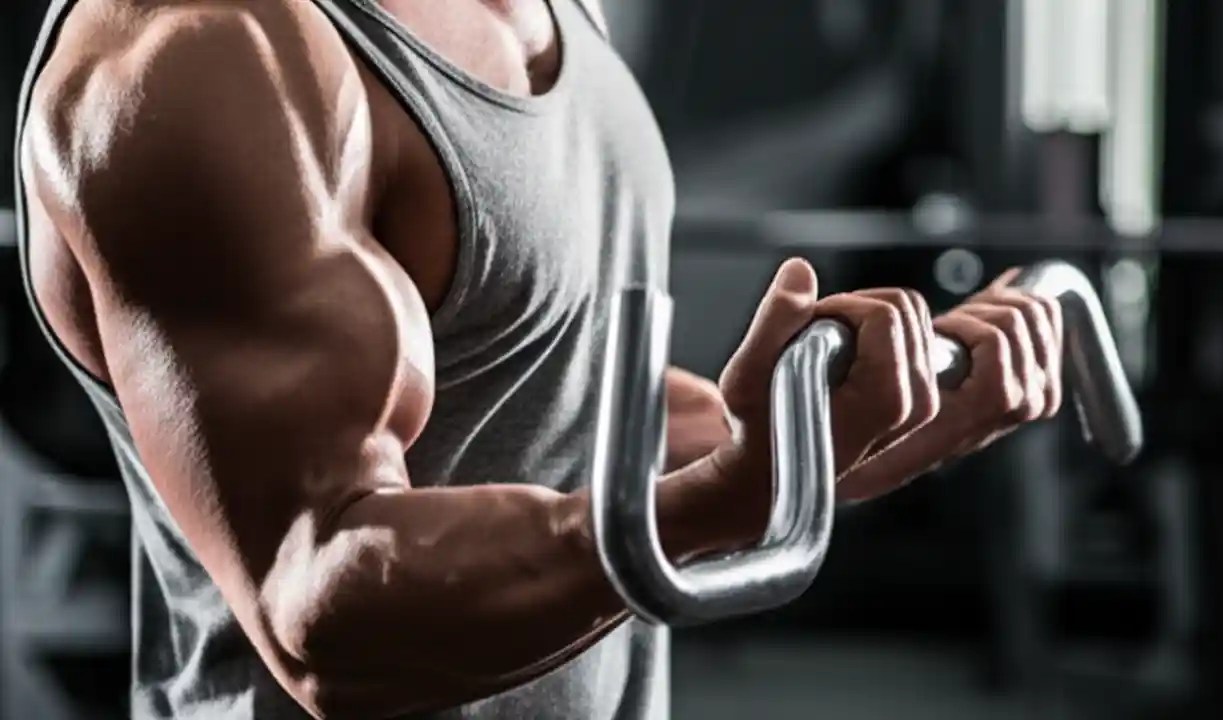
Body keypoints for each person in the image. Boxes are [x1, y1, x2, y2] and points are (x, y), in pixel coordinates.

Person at [13, 0, 1064, 717]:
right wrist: (727, 503)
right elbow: (324, 609)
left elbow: (561, 405)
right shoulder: (204, 57)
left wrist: (818, 435)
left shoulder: (559, 12)